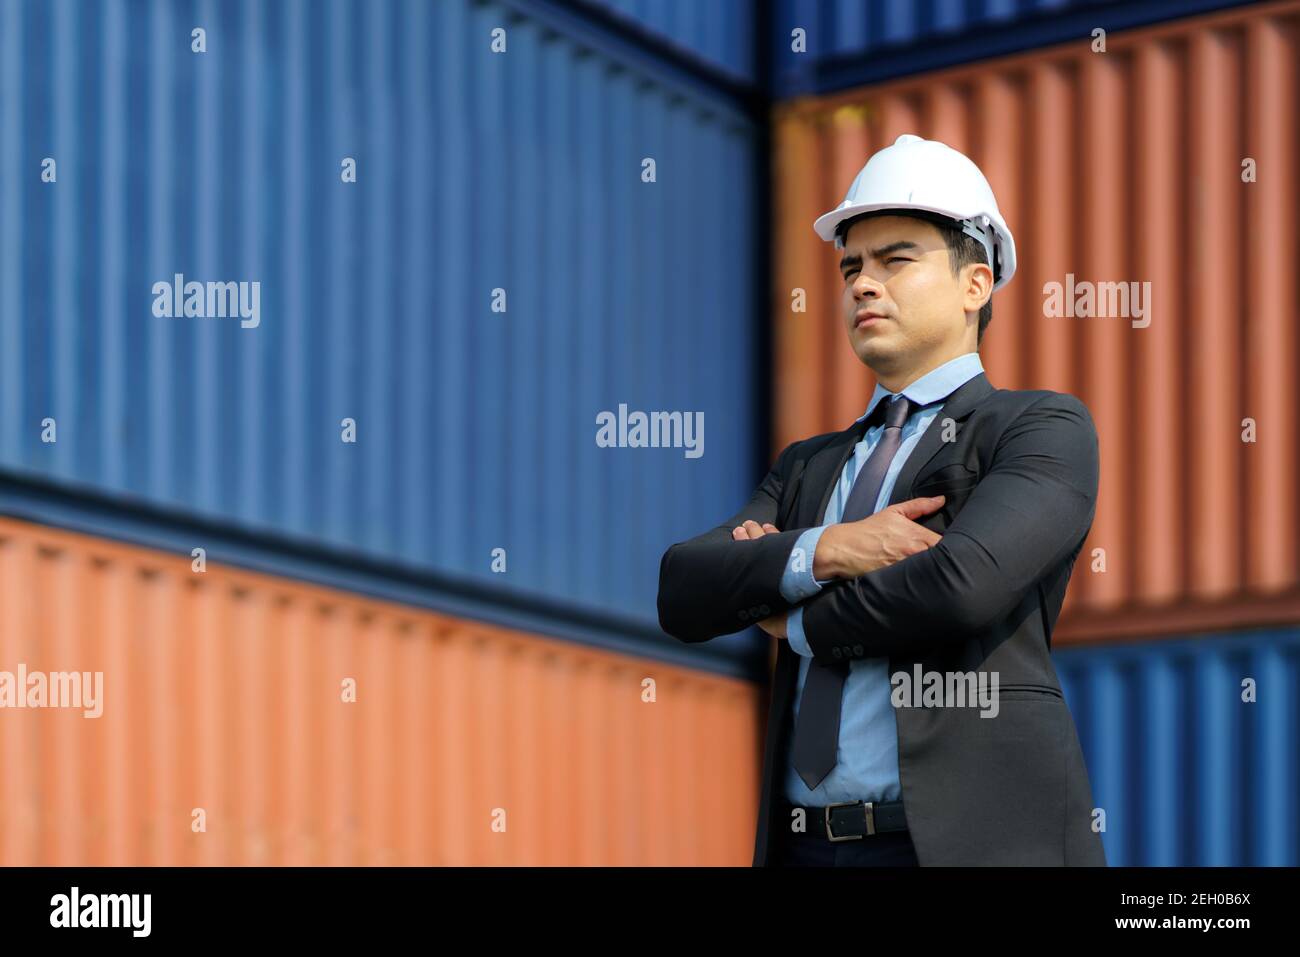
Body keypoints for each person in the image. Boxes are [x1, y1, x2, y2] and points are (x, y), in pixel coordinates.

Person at [657, 134, 1107, 867]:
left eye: (896, 260)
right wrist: (831, 548)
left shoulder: (1039, 428)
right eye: (851, 267)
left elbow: (960, 586)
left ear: (976, 284)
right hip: (805, 850)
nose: (863, 284)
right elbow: (684, 589)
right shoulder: (807, 464)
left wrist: (792, 617)